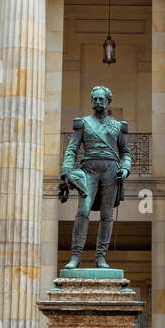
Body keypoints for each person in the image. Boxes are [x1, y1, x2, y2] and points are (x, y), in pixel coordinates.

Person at [61, 86, 130, 269]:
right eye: (95, 99)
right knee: (83, 211)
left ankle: (101, 257)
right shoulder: (83, 123)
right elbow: (72, 149)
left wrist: (125, 168)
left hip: (111, 171)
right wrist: (67, 170)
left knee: (107, 215)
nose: (98, 102)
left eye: (101, 99)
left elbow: (125, 153)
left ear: (108, 102)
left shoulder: (118, 126)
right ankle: (75, 256)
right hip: (89, 169)